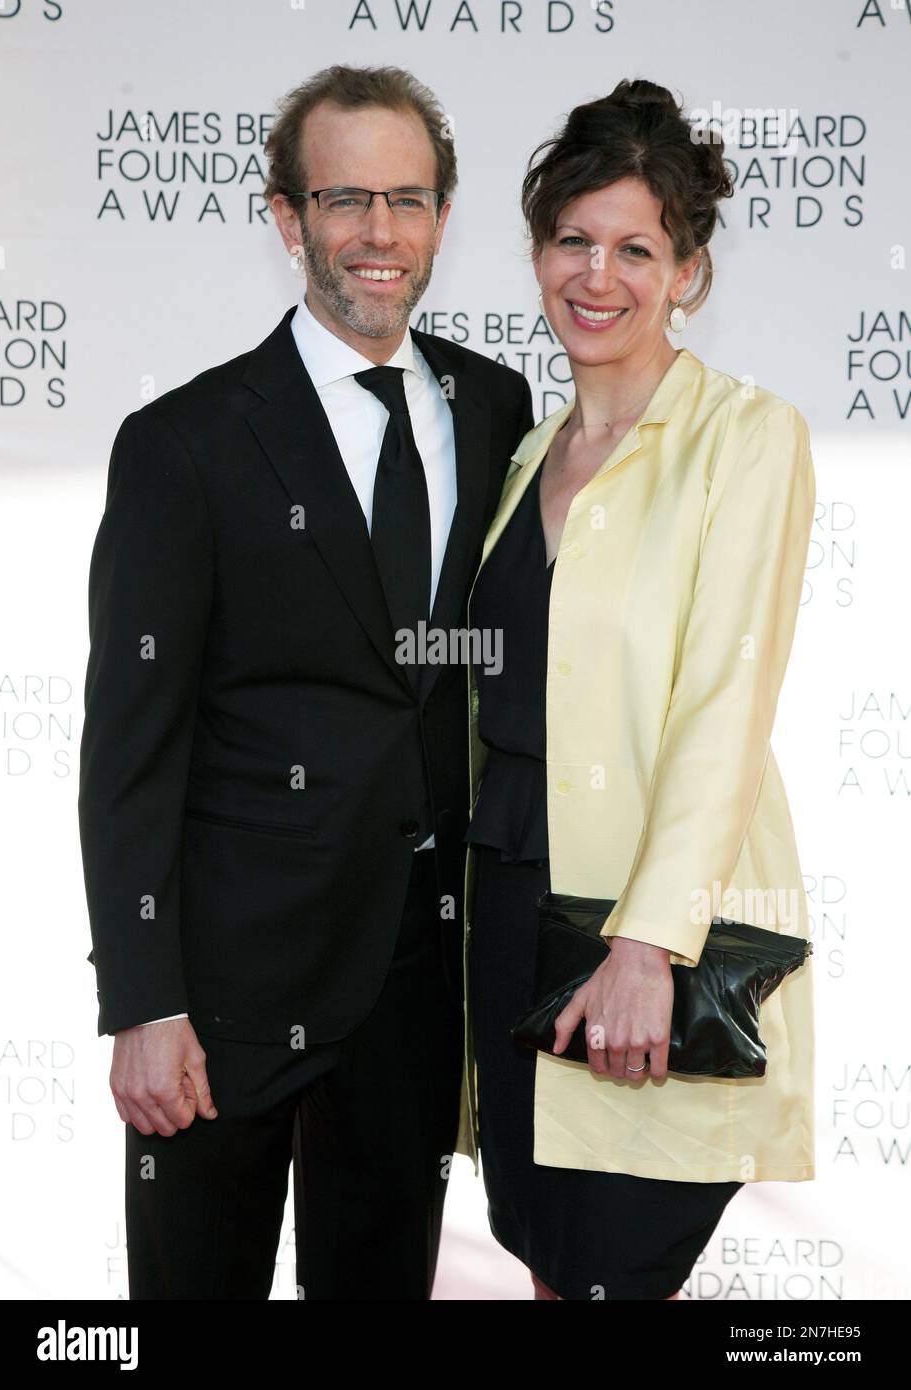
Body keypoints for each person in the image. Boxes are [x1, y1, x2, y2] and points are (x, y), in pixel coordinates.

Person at [78, 63, 533, 1300]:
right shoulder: (188, 443)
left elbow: (456, 671)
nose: (379, 233)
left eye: (409, 198)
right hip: (222, 999)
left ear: (443, 216)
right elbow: (130, 745)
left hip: (414, 991)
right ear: (288, 221)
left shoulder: (495, 407)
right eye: (346, 201)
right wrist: (143, 998)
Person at [461, 78, 816, 1301]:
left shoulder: (748, 437)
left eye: (635, 248)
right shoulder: (520, 452)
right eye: (572, 240)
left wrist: (647, 944)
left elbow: (727, 701)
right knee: (550, 1257)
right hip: (508, 912)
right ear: (537, 248)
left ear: (688, 272)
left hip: (638, 932)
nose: (596, 276)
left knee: (618, 1264)